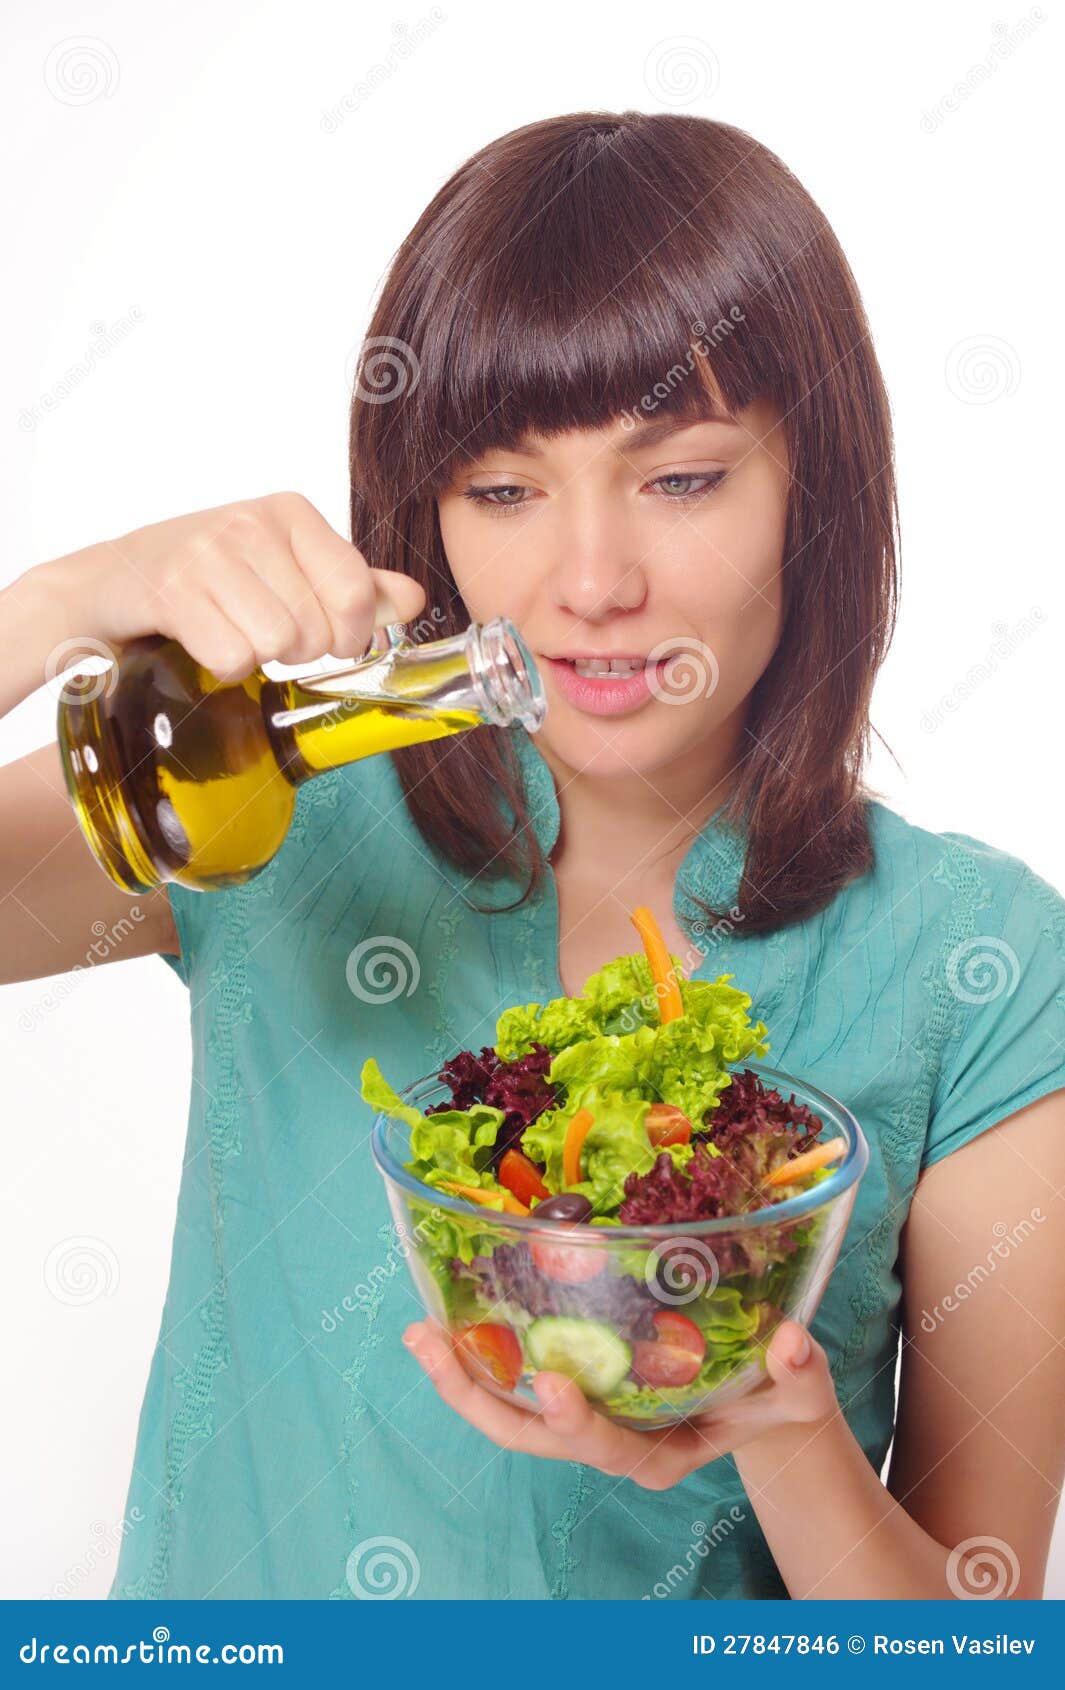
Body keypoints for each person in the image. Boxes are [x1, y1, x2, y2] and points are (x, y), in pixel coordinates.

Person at [2, 110, 1063, 1602]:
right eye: (501, 491)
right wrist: (52, 605)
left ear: (812, 493)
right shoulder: (264, 810)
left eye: (680, 479)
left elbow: (967, 1637)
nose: (588, 584)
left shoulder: (982, 962)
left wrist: (782, 1424)